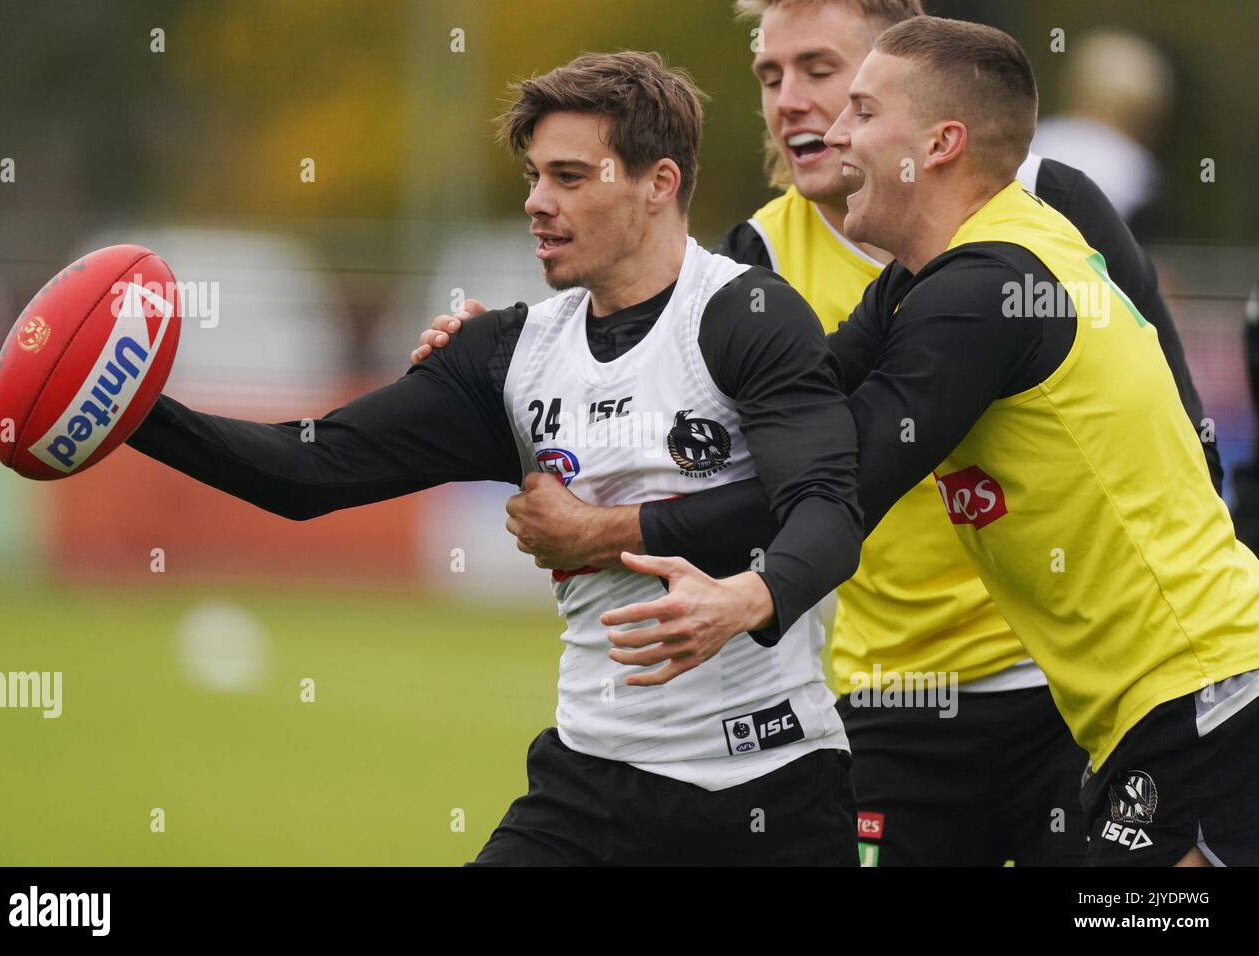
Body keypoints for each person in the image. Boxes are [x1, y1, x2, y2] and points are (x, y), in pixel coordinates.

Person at [413, 0, 1221, 868]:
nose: (794, 101)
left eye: (830, 79)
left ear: (916, 100)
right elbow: (717, 435)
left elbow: (847, 477)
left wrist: (642, 546)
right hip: (893, 699)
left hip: (1083, 690)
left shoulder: (1030, 220)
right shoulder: (767, 266)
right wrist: (505, 361)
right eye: (771, 74)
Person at [125, 51, 866, 866]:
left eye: (572, 177)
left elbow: (828, 507)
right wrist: (130, 413)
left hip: (771, 786)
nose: (537, 203)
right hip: (589, 789)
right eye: (535, 176)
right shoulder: (507, 351)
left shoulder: (748, 316)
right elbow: (309, 469)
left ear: (658, 183)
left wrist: (747, 599)